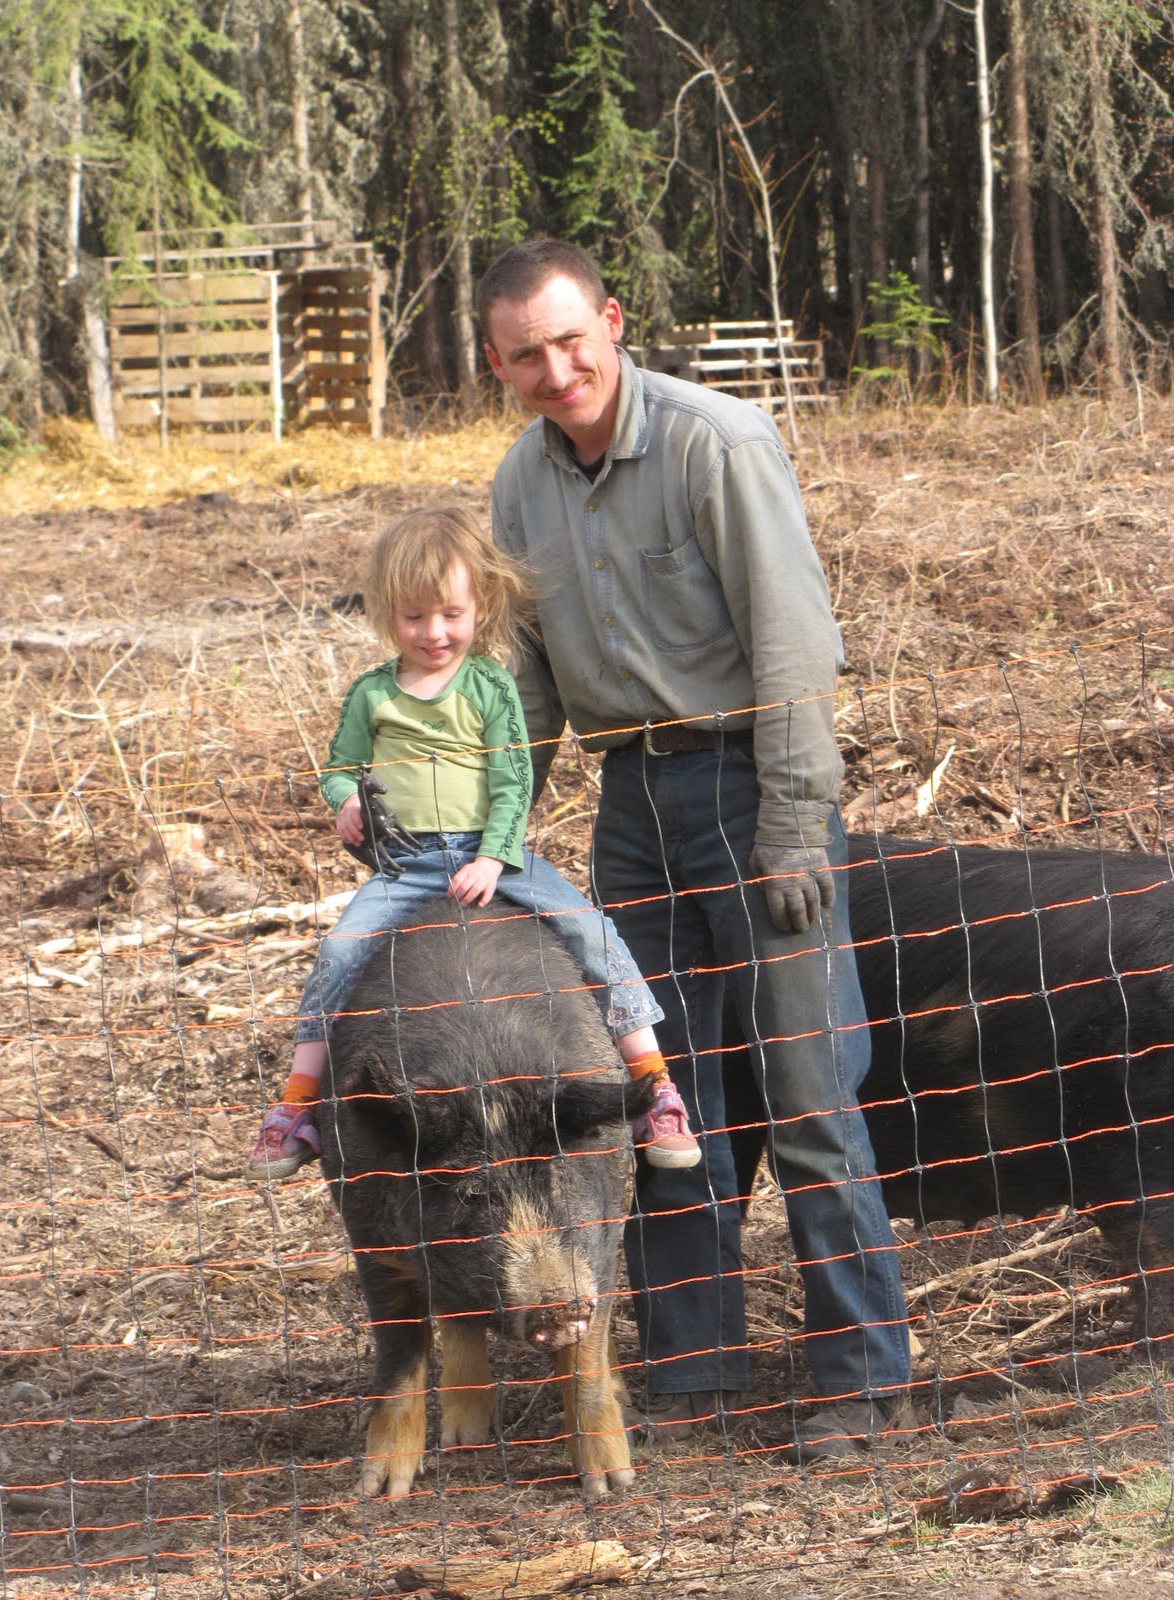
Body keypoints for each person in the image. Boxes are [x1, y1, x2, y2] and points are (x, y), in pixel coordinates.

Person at [477, 239, 913, 1464]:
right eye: (526, 355)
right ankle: (693, 1368)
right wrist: (481, 837)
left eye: (571, 340)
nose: (556, 370)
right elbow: (529, 683)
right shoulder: (521, 483)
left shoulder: (716, 442)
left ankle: (862, 1379)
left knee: (811, 1089)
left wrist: (790, 828)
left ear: (612, 321)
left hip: (748, 787)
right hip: (635, 807)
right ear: (496, 363)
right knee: (665, 1097)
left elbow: (792, 648)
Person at [245, 505, 700, 1180]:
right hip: (406, 864)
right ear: (385, 613)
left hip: (492, 853)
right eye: (414, 617)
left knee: (593, 935)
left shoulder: (489, 685)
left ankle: (656, 1085)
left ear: (480, 607)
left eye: (451, 615)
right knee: (340, 952)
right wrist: (344, 803)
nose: (434, 633)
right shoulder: (372, 695)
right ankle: (297, 1104)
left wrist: (493, 855)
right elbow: (340, 768)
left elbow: (513, 778)